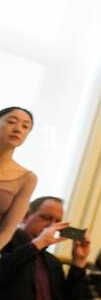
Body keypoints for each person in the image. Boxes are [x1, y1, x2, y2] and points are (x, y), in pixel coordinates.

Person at [0, 107, 39, 252]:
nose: (18, 129)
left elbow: (7, 230)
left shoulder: (27, 178)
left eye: (25, 126)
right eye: (11, 122)